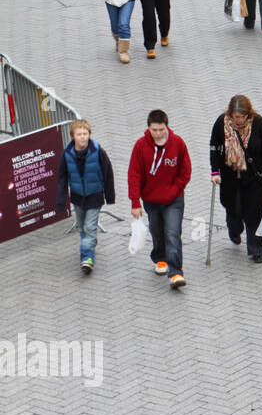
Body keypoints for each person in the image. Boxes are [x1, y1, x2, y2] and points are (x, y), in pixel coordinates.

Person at [208, 95, 262, 264]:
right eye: (235, 117)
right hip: (229, 176)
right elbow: (214, 146)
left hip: (254, 177)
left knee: (254, 213)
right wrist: (215, 171)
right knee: (233, 208)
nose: (238, 120)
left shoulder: (258, 123)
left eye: (241, 117)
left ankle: (256, 249)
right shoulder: (221, 123)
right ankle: (234, 228)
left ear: (248, 114)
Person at [127, 109, 191, 289]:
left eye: (161, 129)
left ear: (166, 127)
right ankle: (160, 257)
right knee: (156, 230)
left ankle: (176, 272)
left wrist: (175, 189)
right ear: (148, 128)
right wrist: (135, 202)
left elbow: (185, 171)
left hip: (174, 199)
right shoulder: (140, 146)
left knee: (172, 232)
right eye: (154, 130)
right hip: (151, 200)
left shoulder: (178, 143)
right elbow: (134, 174)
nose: (157, 133)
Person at [57, 119, 116, 274]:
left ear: (89, 134)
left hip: (95, 195)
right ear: (72, 136)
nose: (82, 137)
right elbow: (62, 177)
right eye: (79, 134)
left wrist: (110, 196)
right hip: (77, 196)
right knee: (82, 227)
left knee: (90, 227)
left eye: (85, 134)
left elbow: (107, 172)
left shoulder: (97, 151)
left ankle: (87, 257)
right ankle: (90, 244)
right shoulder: (67, 153)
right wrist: (61, 200)